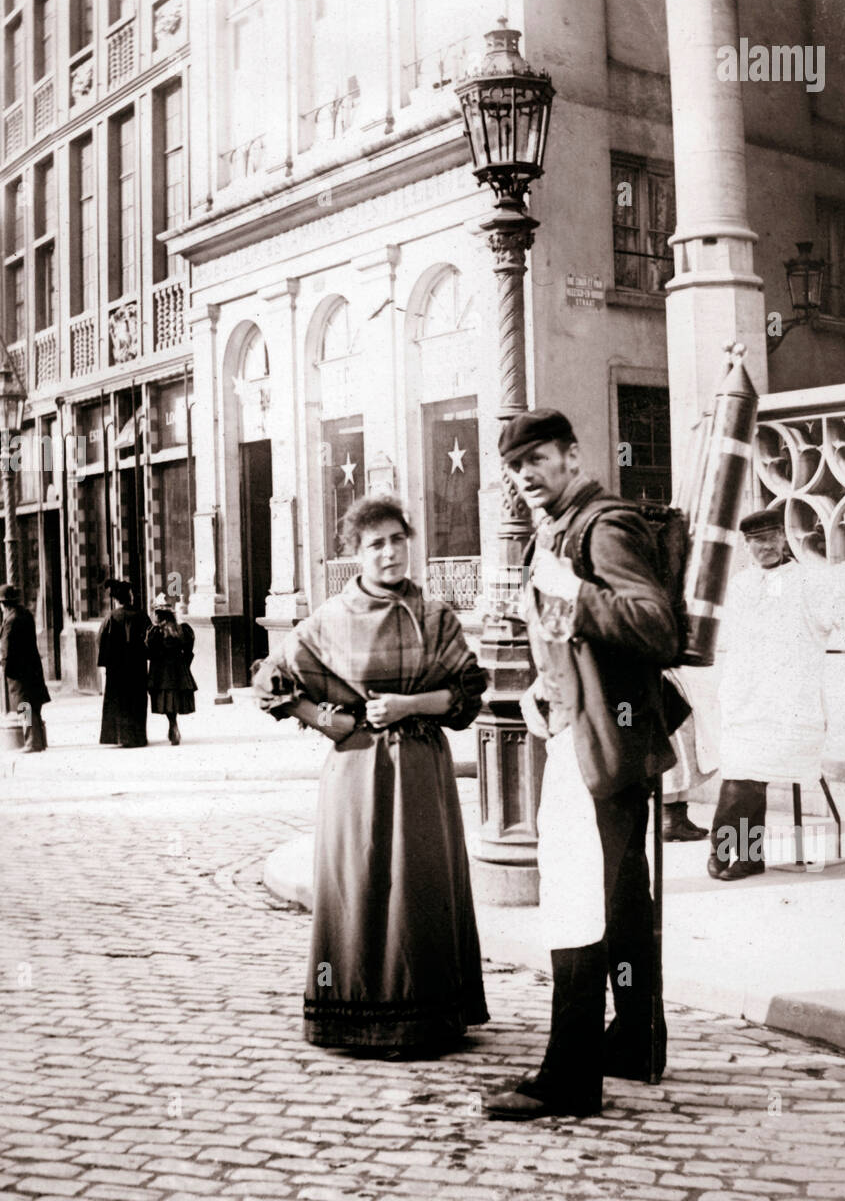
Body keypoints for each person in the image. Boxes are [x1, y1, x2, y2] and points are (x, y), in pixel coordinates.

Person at [483, 409, 680, 1121]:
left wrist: (574, 591)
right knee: (621, 898)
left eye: (538, 458)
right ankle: (636, 1039)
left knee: (575, 901)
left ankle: (569, 1076)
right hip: (592, 735)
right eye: (516, 467)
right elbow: (572, 641)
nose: (526, 476)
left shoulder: (603, 525)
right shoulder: (559, 529)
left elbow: (656, 625)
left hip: (603, 745)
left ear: (572, 455)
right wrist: (543, 685)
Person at [253, 494, 489, 1058]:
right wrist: (326, 719)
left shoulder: (435, 617)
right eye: (376, 544)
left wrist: (411, 705)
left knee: (420, 886)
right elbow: (270, 680)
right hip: (358, 772)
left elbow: (467, 691)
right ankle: (355, 1019)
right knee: (359, 883)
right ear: (356, 553)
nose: (390, 553)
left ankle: (427, 1018)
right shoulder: (330, 619)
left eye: (398, 540)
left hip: (422, 771)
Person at [708, 508, 845, 881]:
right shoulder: (739, 585)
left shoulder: (809, 581)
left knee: (745, 778)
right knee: (742, 773)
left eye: (772, 538)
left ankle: (726, 849)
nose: (766, 547)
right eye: (757, 541)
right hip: (743, 702)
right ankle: (744, 854)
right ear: (746, 545)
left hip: (789, 706)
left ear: (783, 539)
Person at [661, 667, 717, 841]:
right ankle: (670, 823)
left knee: (685, 754)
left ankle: (680, 818)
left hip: (671, 681)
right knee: (674, 757)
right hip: (660, 685)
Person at [97, 579, 150, 748]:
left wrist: (107, 661)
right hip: (137, 666)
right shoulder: (141, 616)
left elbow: (101, 640)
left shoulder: (112, 617)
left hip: (117, 668)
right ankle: (138, 737)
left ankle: (121, 737)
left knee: (119, 700)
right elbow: (151, 638)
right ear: (130, 597)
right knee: (137, 699)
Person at [0, 584, 50, 753]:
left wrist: (4, 665)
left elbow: (6, 648)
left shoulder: (10, 620)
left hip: (18, 672)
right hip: (32, 668)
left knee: (24, 707)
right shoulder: (26, 614)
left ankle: (31, 742)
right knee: (34, 704)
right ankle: (40, 741)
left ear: (4, 604)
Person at [146, 594, 197, 745]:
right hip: (177, 668)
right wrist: (184, 665)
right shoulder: (182, 629)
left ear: (159, 615)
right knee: (174, 696)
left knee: (166, 698)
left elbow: (149, 652)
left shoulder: (155, 632)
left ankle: (172, 724)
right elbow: (189, 650)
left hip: (161, 670)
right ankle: (173, 725)